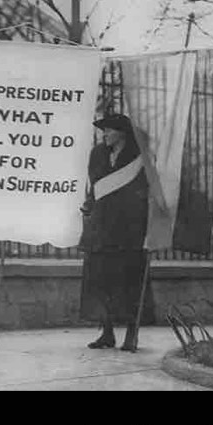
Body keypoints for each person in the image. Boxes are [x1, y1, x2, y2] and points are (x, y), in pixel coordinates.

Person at [78, 113, 156, 352]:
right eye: (104, 131)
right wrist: (89, 206)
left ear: (123, 133)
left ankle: (132, 334)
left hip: (130, 229)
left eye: (109, 130)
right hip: (102, 227)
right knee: (101, 280)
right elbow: (95, 186)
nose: (105, 135)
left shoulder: (140, 157)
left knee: (130, 281)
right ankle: (107, 332)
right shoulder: (97, 154)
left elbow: (148, 190)